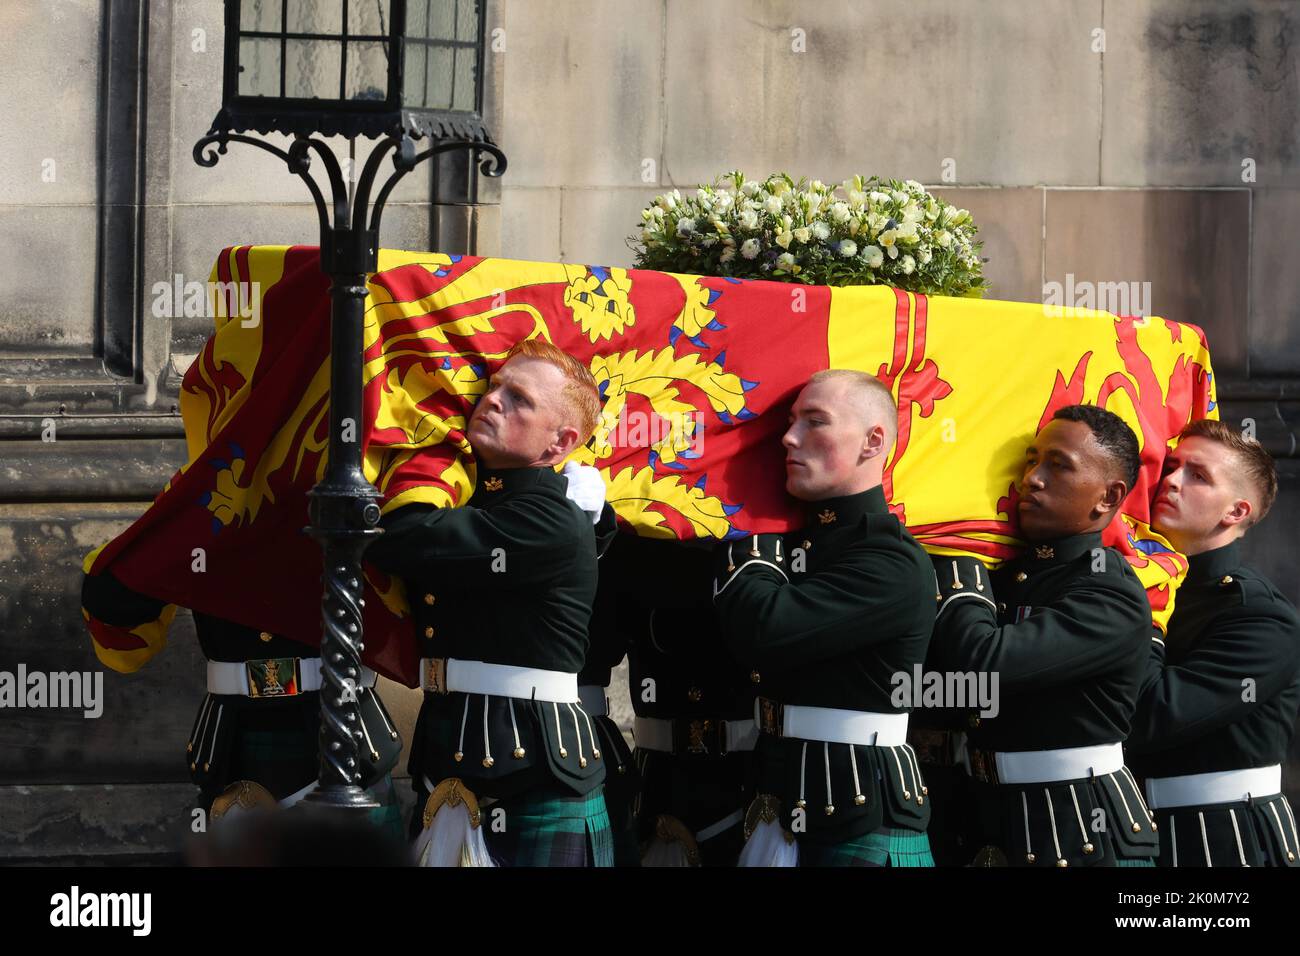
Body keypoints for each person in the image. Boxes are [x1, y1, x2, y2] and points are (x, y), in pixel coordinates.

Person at [364, 339, 614, 866]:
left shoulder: (554, 519)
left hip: (533, 767)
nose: (493, 400)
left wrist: (425, 462)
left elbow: (403, 539)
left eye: (519, 398)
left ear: (559, 442)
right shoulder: (472, 497)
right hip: (446, 755)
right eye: (495, 386)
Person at [712, 369, 936, 866]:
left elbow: (764, 628)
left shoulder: (891, 559)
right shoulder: (802, 543)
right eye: (791, 422)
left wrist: (749, 528)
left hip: (857, 812)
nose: (789, 438)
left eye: (816, 422)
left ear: (873, 441)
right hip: (773, 796)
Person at [929, 404, 1158, 866]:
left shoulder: (1109, 592)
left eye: (1057, 466)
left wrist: (959, 555)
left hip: (1076, 829)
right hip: (984, 818)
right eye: (1031, 461)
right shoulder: (1014, 574)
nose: (1031, 478)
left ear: (1108, 498)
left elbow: (981, 665)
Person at [79, 574, 404, 833]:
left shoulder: (358, 492)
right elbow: (117, 605)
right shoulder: (202, 497)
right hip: (237, 740)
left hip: (346, 735)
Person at [1127, 418, 1300, 866]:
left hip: (1226, 839)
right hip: (1129, 829)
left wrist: (1146, 619)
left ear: (1236, 511)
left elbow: (1149, 715)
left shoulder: (1262, 616)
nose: (1170, 481)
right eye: (1172, 466)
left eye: (1197, 476)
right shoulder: (1136, 582)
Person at [596, 535, 758, 866]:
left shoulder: (757, 546)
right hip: (656, 778)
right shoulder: (635, 545)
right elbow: (597, 645)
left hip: (742, 778)